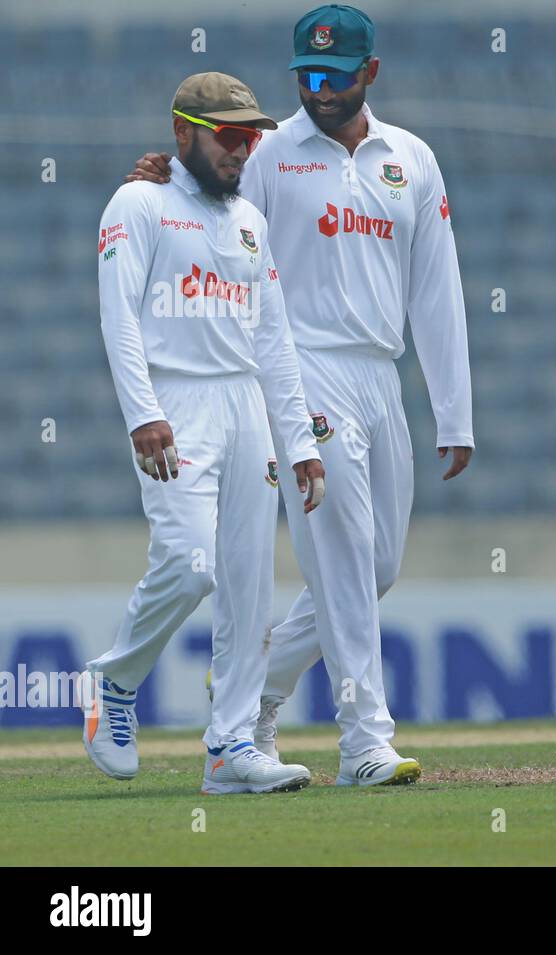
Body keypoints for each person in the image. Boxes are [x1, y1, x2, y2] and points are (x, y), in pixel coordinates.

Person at [127, 4, 474, 787]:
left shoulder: (409, 159)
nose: (319, 90)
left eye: (336, 76)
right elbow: (200, 190)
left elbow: (437, 287)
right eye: (307, 76)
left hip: (380, 374)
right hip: (298, 370)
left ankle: (254, 691)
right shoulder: (274, 151)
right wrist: (156, 181)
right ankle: (364, 742)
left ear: (370, 74)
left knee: (375, 566)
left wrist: (455, 410)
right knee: (347, 559)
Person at [86, 72, 325, 795]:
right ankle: (115, 681)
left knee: (251, 584)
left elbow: (275, 342)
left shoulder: (248, 220)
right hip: (176, 403)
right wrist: (142, 412)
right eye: (229, 136)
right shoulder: (139, 201)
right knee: (192, 567)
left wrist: (302, 443)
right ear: (182, 132)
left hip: (245, 406)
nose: (243, 151)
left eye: (250, 137)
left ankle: (229, 748)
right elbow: (119, 314)